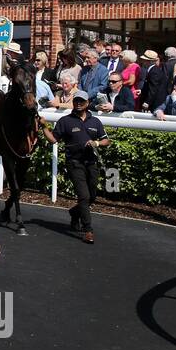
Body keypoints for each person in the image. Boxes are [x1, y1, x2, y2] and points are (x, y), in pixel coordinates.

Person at [52, 90, 109, 244]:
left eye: (81, 101)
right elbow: (53, 139)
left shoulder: (95, 121)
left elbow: (106, 140)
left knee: (91, 197)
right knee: (83, 196)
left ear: (87, 103)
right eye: (76, 101)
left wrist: (96, 143)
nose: (78, 103)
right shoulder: (65, 121)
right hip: (74, 163)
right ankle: (88, 230)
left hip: (91, 163)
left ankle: (74, 212)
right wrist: (43, 126)